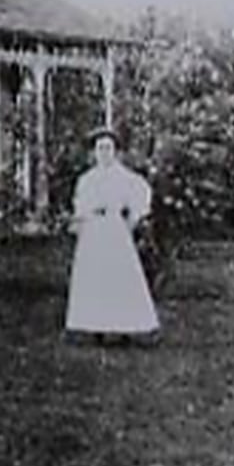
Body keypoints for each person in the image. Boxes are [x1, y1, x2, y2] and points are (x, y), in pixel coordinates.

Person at [65, 129, 159, 343]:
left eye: (108, 148)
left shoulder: (123, 177)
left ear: (116, 151)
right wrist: (80, 222)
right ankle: (96, 327)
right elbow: (80, 205)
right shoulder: (87, 179)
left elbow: (142, 193)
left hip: (115, 229)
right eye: (100, 148)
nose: (104, 153)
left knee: (119, 277)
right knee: (96, 277)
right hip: (93, 230)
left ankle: (124, 327)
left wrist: (132, 219)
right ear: (94, 152)